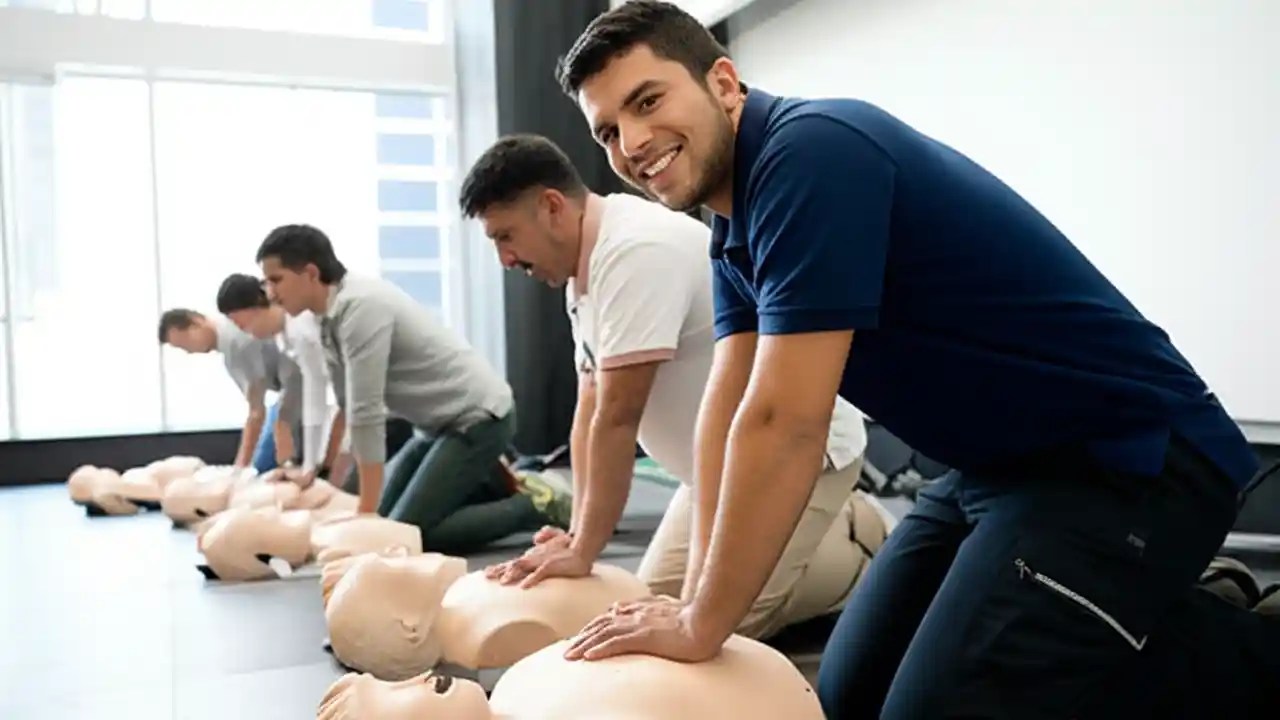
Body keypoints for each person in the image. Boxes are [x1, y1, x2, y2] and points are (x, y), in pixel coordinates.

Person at [553, 2, 1279, 718]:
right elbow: (730, 411)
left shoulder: (811, 154)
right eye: (609, 130)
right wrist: (692, 601)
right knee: (849, 693)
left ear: (723, 83)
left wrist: (702, 623)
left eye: (647, 101)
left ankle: (1234, 639)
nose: (633, 141)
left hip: (1128, 462)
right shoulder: (733, 224)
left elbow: (784, 425)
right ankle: (1153, 612)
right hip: (995, 470)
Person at [459, 133, 891, 642]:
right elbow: (591, 407)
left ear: (551, 207)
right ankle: (817, 535)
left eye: (504, 236)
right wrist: (577, 536)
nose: (505, 259)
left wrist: (585, 551)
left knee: (725, 626)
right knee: (647, 609)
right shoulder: (583, 270)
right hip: (710, 474)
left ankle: (865, 553)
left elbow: (618, 418)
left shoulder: (634, 252)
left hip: (795, 460)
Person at [253, 223, 571, 554]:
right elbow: (348, 405)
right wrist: (315, 473)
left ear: (310, 273)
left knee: (408, 537)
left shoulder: (361, 305)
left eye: (276, 280)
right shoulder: (323, 318)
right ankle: (496, 488)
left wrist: (365, 513)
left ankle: (536, 505)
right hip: (436, 428)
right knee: (391, 523)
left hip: (478, 418)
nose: (270, 293)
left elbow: (367, 412)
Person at [215, 272, 349, 485]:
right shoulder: (285, 338)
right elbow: (316, 396)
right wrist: (311, 468)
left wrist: (320, 469)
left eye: (243, 325)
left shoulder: (303, 328)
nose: (246, 334)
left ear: (259, 306)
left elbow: (340, 396)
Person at [159, 307, 300, 473]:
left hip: (300, 390)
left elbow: (256, 413)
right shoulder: (230, 342)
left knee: (261, 466)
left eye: (185, 344)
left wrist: (239, 469)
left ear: (197, 322)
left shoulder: (235, 342)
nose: (189, 352)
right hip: (293, 390)